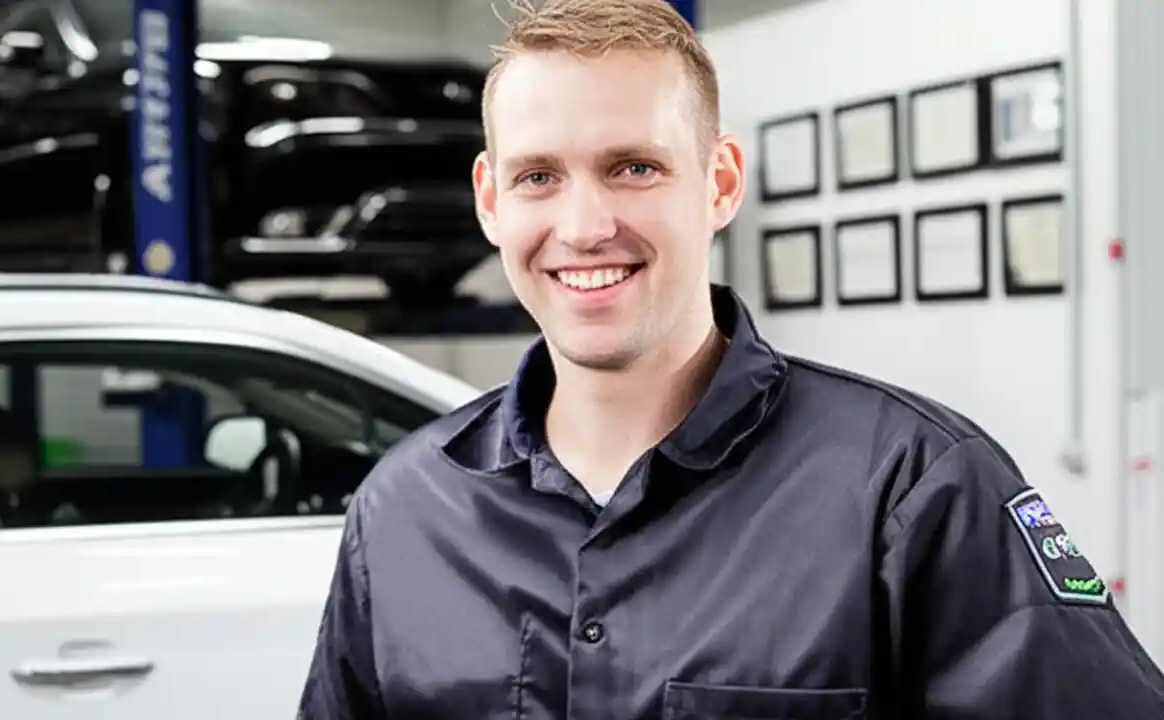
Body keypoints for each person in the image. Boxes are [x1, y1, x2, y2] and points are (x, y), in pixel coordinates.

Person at [298, 0, 1164, 717]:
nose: (585, 226)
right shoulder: (402, 512)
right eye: (539, 177)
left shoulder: (913, 490)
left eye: (633, 167)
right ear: (491, 200)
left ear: (720, 183)